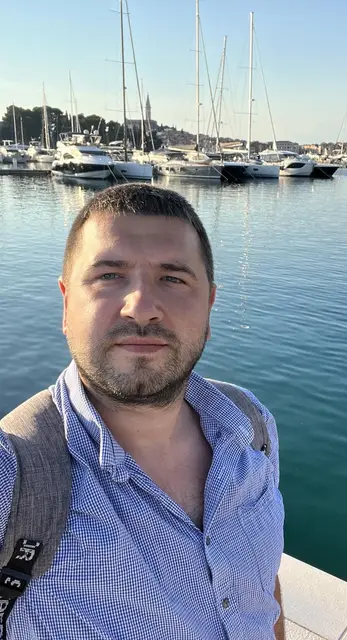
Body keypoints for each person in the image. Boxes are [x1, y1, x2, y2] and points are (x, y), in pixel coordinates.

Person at [0, 183, 285, 639]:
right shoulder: (13, 472)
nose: (141, 308)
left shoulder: (250, 426)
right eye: (109, 276)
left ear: (209, 307)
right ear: (67, 304)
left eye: (172, 279)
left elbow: (262, 591)